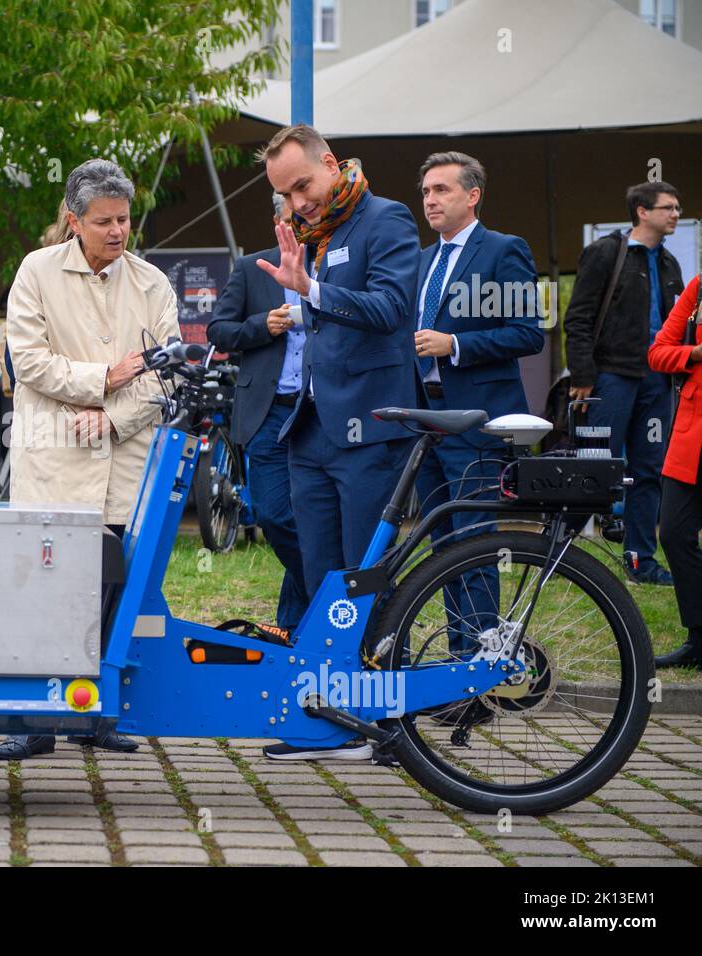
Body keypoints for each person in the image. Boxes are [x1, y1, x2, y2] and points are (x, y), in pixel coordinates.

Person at [0, 159, 180, 760]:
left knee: (114, 589)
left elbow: (166, 376)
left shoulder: (152, 282)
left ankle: (102, 715)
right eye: (104, 221)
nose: (117, 232)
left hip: (126, 459)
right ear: (74, 221)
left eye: (124, 220)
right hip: (55, 457)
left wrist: (114, 414)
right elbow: (28, 362)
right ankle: (33, 720)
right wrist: (104, 375)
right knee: (46, 588)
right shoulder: (36, 271)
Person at [256, 123, 421, 761]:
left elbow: (389, 310)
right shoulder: (314, 236)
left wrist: (311, 292)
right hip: (311, 430)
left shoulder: (387, 219)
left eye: (302, 185)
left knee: (365, 578)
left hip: (367, 431)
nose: (297, 202)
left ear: (330, 163)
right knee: (325, 581)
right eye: (285, 194)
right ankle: (328, 719)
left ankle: (387, 724)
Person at [412, 151, 545, 664]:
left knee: (475, 543)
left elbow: (526, 333)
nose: (430, 200)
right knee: (442, 548)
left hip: (477, 422)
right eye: (425, 191)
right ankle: (455, 658)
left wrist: (457, 345)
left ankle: (481, 663)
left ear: (473, 195)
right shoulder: (423, 261)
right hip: (429, 421)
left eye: (441, 190)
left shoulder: (502, 250)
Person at [564, 182, 684, 585]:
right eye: (668, 207)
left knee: (649, 468)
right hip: (610, 376)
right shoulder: (605, 252)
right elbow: (578, 316)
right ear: (642, 211)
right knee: (594, 466)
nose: (675, 214)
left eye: (677, 207)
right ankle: (558, 550)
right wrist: (581, 374)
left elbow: (678, 325)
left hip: (657, 379)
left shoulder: (669, 264)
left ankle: (640, 562)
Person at [206, 192, 310, 632]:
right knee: (274, 514)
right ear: (277, 221)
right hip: (267, 409)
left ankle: (294, 622)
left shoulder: (333, 268)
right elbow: (218, 331)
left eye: (308, 218)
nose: (302, 225)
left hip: (319, 410)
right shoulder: (252, 268)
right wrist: (260, 326)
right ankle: (329, 593)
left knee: (315, 519)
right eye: (293, 218)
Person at [648, 273, 702, 669]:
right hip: (691, 439)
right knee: (672, 532)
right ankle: (699, 639)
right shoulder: (699, 287)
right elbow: (658, 353)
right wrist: (696, 354)